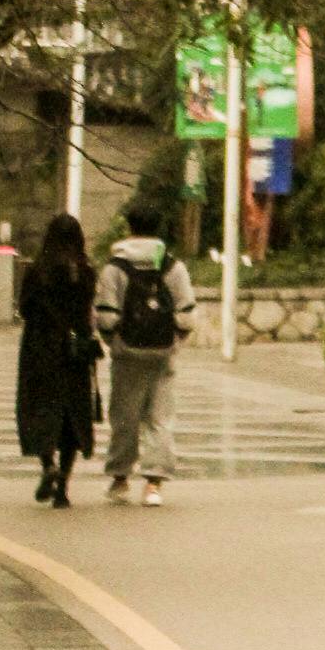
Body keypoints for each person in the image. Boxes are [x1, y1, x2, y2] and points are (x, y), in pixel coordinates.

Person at [94, 200, 196, 505]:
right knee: (160, 417)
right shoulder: (172, 266)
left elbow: (106, 315)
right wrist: (174, 340)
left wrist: (115, 342)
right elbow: (186, 312)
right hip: (163, 354)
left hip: (127, 355)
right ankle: (154, 485)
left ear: (130, 228)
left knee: (124, 417)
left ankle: (120, 478)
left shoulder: (115, 267)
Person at [15, 213, 100, 507]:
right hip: (75, 352)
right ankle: (63, 484)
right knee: (72, 416)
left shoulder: (38, 271)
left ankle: (47, 465)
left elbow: (24, 308)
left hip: (40, 350)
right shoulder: (86, 271)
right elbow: (88, 310)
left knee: (42, 410)